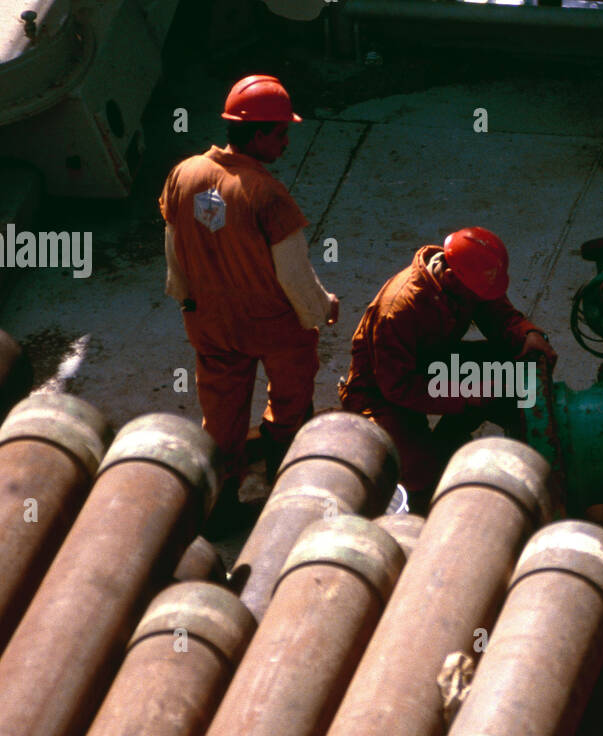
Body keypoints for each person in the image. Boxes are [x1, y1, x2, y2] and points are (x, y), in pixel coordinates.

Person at [159, 74, 339, 522]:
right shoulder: (268, 195)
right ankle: (286, 483)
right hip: (275, 327)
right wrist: (322, 308)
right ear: (257, 134)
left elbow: (173, 245)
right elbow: (294, 275)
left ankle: (218, 507)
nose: (286, 144)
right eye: (281, 134)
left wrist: (185, 297)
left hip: (211, 324)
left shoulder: (186, 173)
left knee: (221, 416)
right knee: (291, 401)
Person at [339, 227, 557, 512]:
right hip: (381, 391)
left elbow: (497, 313)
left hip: (430, 365)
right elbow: (397, 386)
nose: (479, 299)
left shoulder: (466, 281)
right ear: (452, 279)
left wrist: (527, 333)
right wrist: (466, 394)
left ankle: (455, 435)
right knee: (418, 474)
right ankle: (432, 476)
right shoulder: (399, 309)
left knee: (511, 366)